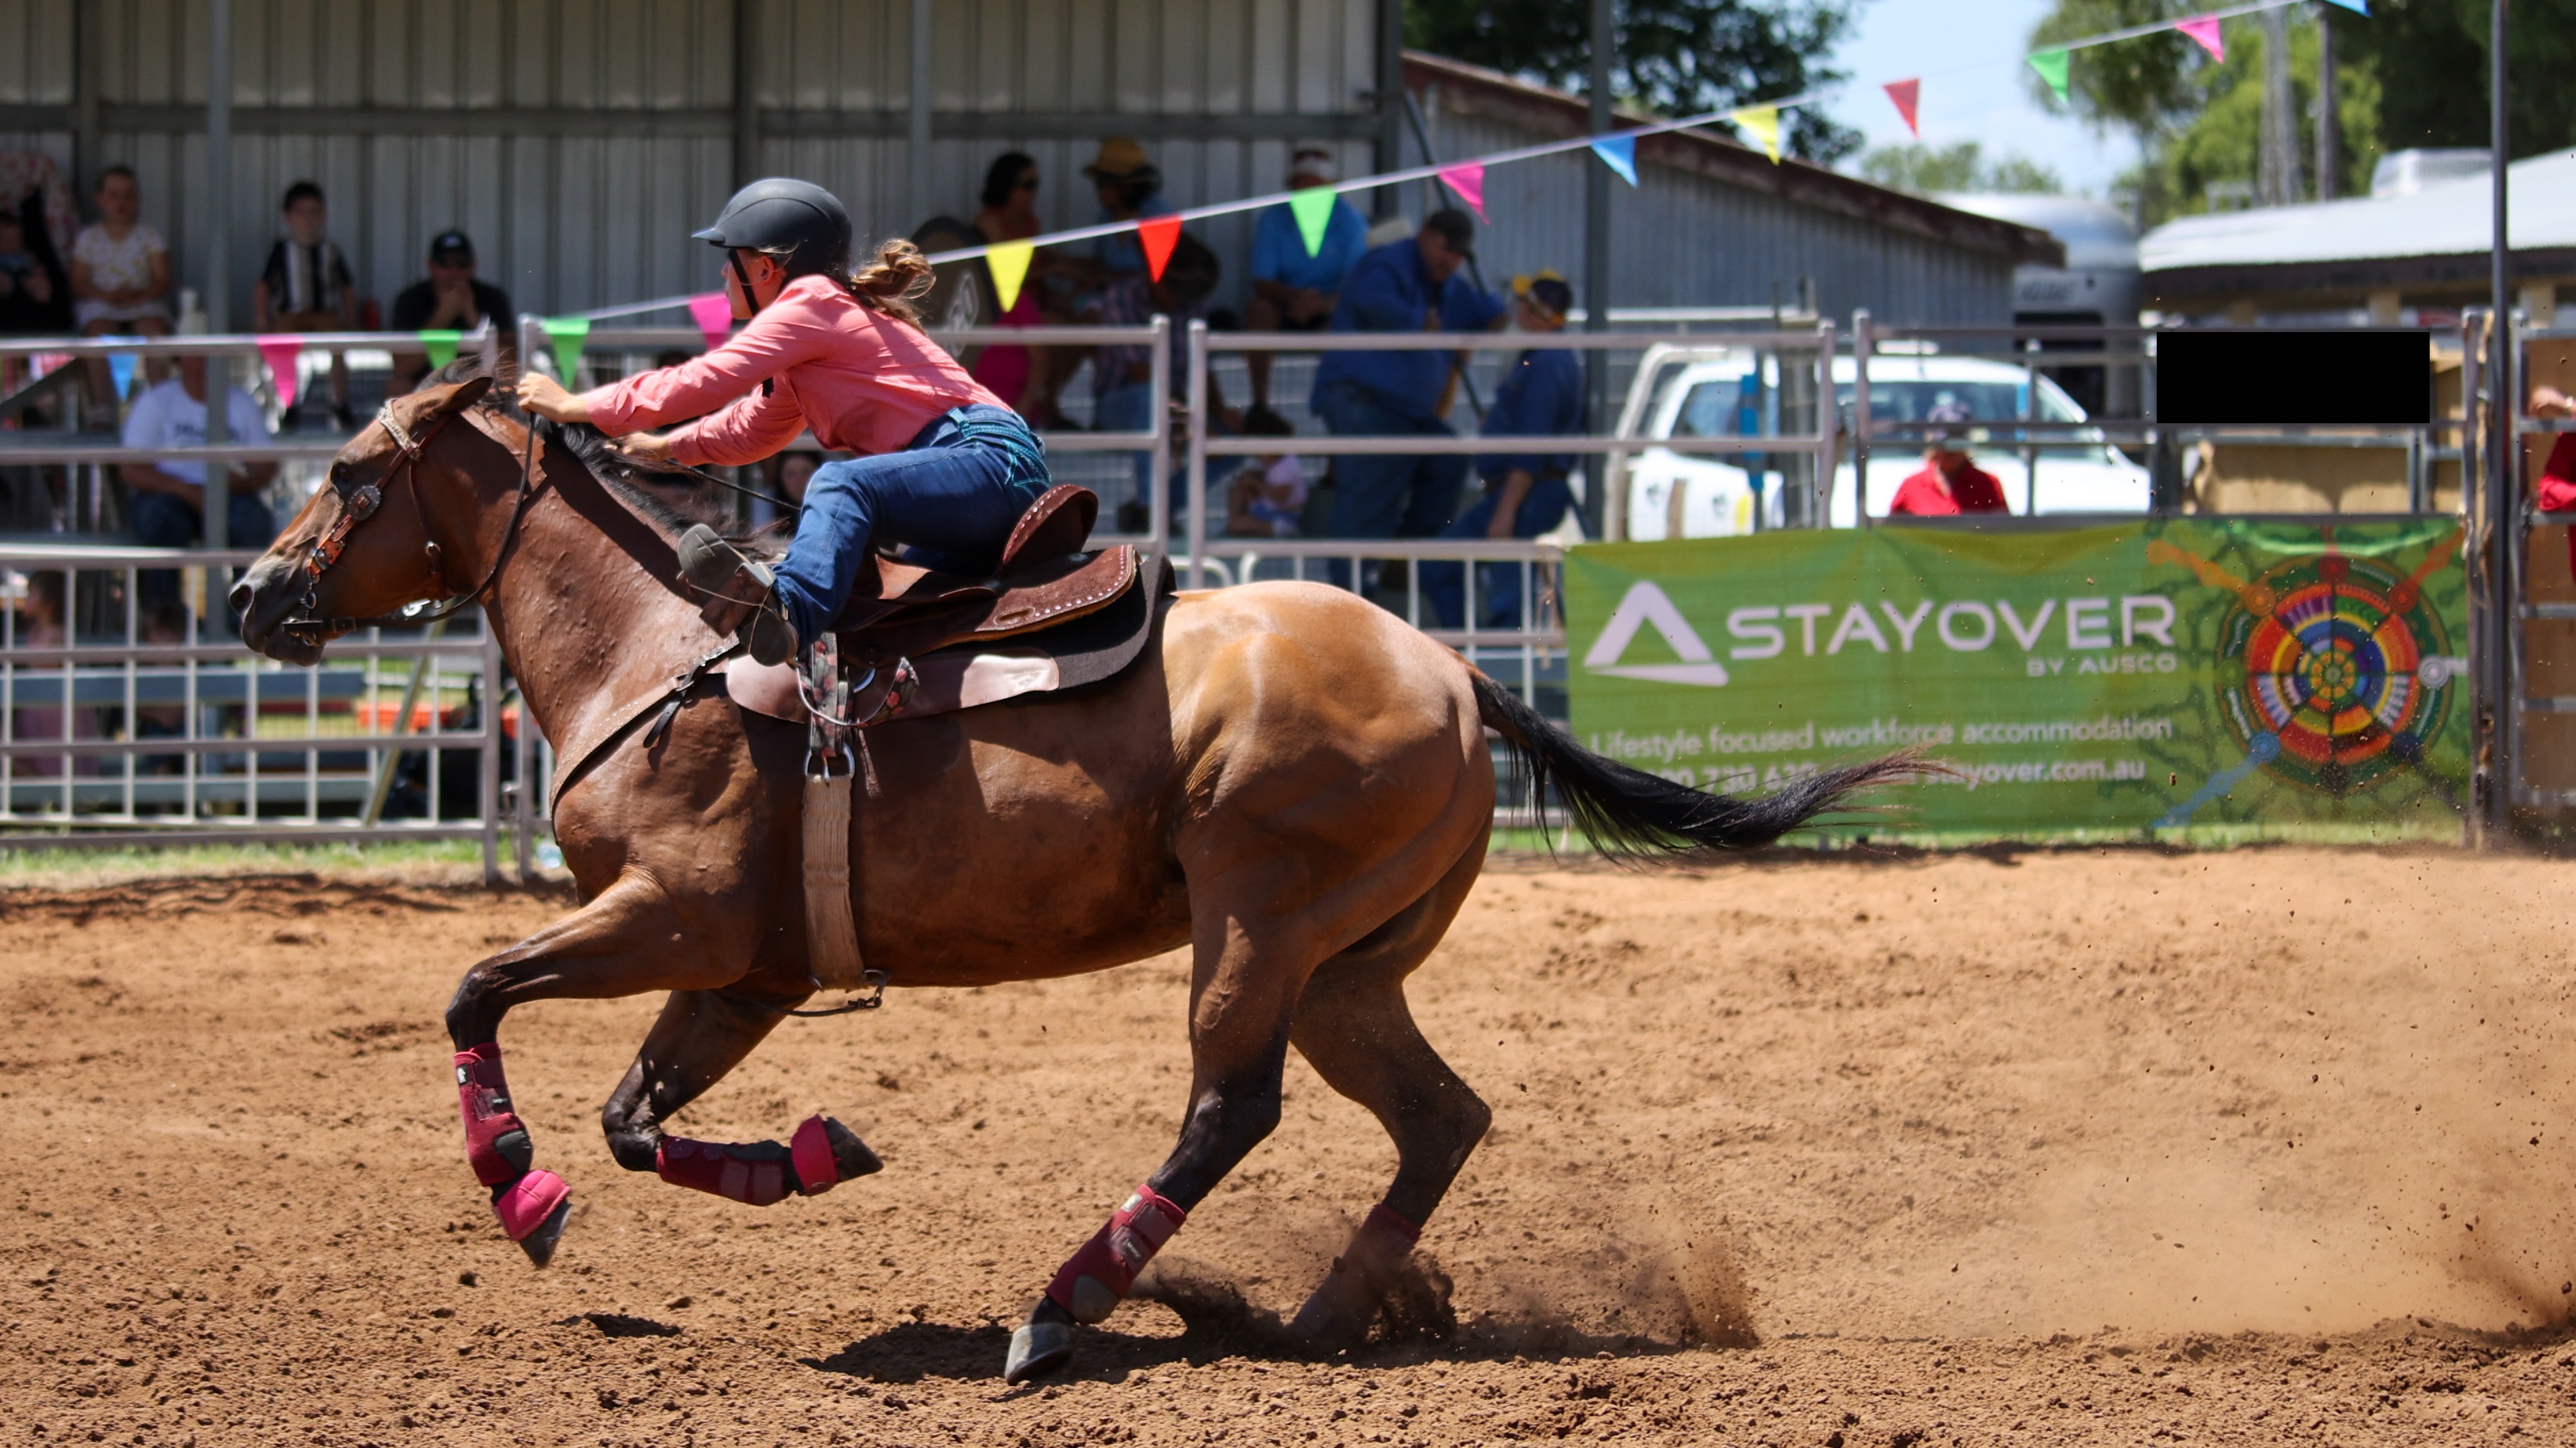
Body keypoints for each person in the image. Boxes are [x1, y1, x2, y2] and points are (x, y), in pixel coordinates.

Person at [514, 179, 1048, 668]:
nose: (723, 273)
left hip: (986, 461)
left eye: (731, 259)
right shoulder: (811, 342)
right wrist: (667, 449)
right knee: (893, 613)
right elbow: (750, 429)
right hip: (987, 473)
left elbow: (707, 379)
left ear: (766, 269)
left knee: (839, 483)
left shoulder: (808, 303)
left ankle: (787, 614)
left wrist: (574, 407)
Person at [1309, 208, 1506, 556]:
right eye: (1447, 249)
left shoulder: (1444, 284)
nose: (1452, 260)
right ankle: (1351, 593)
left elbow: (1484, 311)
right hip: (1364, 401)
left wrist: (1499, 313)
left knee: (1448, 462)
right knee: (1367, 500)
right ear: (1426, 236)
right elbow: (1377, 304)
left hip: (1404, 411)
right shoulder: (1386, 264)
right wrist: (1420, 323)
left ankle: (1405, 558)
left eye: (1460, 255)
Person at [1424, 274, 1583, 629]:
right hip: (1528, 491)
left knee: (1491, 587)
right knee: (1494, 579)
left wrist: (1507, 510)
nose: (1515, 310)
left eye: (1522, 303)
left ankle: (1489, 665)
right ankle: (1488, 660)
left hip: (1526, 493)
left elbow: (1532, 446)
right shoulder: (1549, 360)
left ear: (1533, 313)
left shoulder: (1543, 364)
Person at [119, 354, 278, 612]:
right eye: (194, 356)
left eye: (208, 356)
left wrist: (245, 482)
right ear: (180, 360)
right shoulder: (156, 401)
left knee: (254, 521)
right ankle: (165, 619)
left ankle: (246, 615)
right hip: (166, 494)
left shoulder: (241, 403)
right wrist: (186, 490)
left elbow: (265, 467)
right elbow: (131, 470)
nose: (200, 364)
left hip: (229, 494)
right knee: (159, 520)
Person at [1092, 233, 1226, 519]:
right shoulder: (1121, 298)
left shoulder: (1191, 305)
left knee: (1230, 438)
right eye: (1177, 290)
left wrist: (1219, 412)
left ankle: (1162, 510)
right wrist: (1191, 419)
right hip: (1119, 406)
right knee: (1149, 399)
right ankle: (1148, 507)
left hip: (1174, 406)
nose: (1182, 300)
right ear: (1156, 279)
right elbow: (1141, 373)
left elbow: (1202, 366)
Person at [1245, 146, 1367, 427]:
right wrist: (1296, 299)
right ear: (1292, 188)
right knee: (1259, 311)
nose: (1310, 194)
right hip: (1286, 306)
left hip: (1331, 308)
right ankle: (1259, 405)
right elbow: (1262, 281)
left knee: (1342, 326)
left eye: (1318, 187)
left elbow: (1356, 282)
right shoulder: (1274, 219)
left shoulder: (1351, 222)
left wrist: (1322, 304)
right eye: (1303, 186)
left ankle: (1335, 411)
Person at [251, 181, 359, 427]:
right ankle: (290, 404)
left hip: (325, 316)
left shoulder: (330, 250)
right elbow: (263, 286)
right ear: (288, 217)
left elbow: (347, 287)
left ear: (323, 215)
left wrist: (352, 322)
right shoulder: (281, 250)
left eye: (314, 212)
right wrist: (261, 319)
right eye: (301, 212)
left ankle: (340, 403)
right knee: (284, 349)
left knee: (339, 346)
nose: (308, 219)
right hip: (291, 315)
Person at [69, 167, 172, 424]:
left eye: (128, 195)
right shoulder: (89, 237)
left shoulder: (149, 235)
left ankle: (162, 405)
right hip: (102, 304)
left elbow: (162, 280)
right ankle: (102, 408)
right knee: (97, 332)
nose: (121, 202)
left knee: (155, 330)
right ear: (100, 199)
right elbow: (78, 281)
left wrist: (139, 295)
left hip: (141, 303)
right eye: (113, 195)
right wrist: (105, 295)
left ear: (137, 199)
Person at [389, 230, 513, 392]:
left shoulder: (492, 298)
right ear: (431, 265)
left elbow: (511, 362)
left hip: (478, 382)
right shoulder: (410, 300)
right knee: (397, 385)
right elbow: (402, 368)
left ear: (473, 265)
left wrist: (473, 317)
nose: (454, 271)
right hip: (424, 385)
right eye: (445, 263)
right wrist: (443, 316)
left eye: (462, 263)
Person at [1887, 402, 2009, 517]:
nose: (1951, 451)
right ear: (1933, 442)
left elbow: (2005, 533)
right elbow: (1890, 534)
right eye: (1945, 443)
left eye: (1957, 443)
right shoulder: (1911, 486)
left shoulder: (1988, 484)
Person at [1226, 410, 1307, 538]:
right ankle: (1235, 522)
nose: (1257, 456)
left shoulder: (1287, 465)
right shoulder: (1272, 463)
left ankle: (1276, 528)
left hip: (1283, 515)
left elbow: (1280, 495)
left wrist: (1255, 483)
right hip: (1269, 509)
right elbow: (1269, 478)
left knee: (1239, 524)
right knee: (1237, 490)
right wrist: (1254, 476)